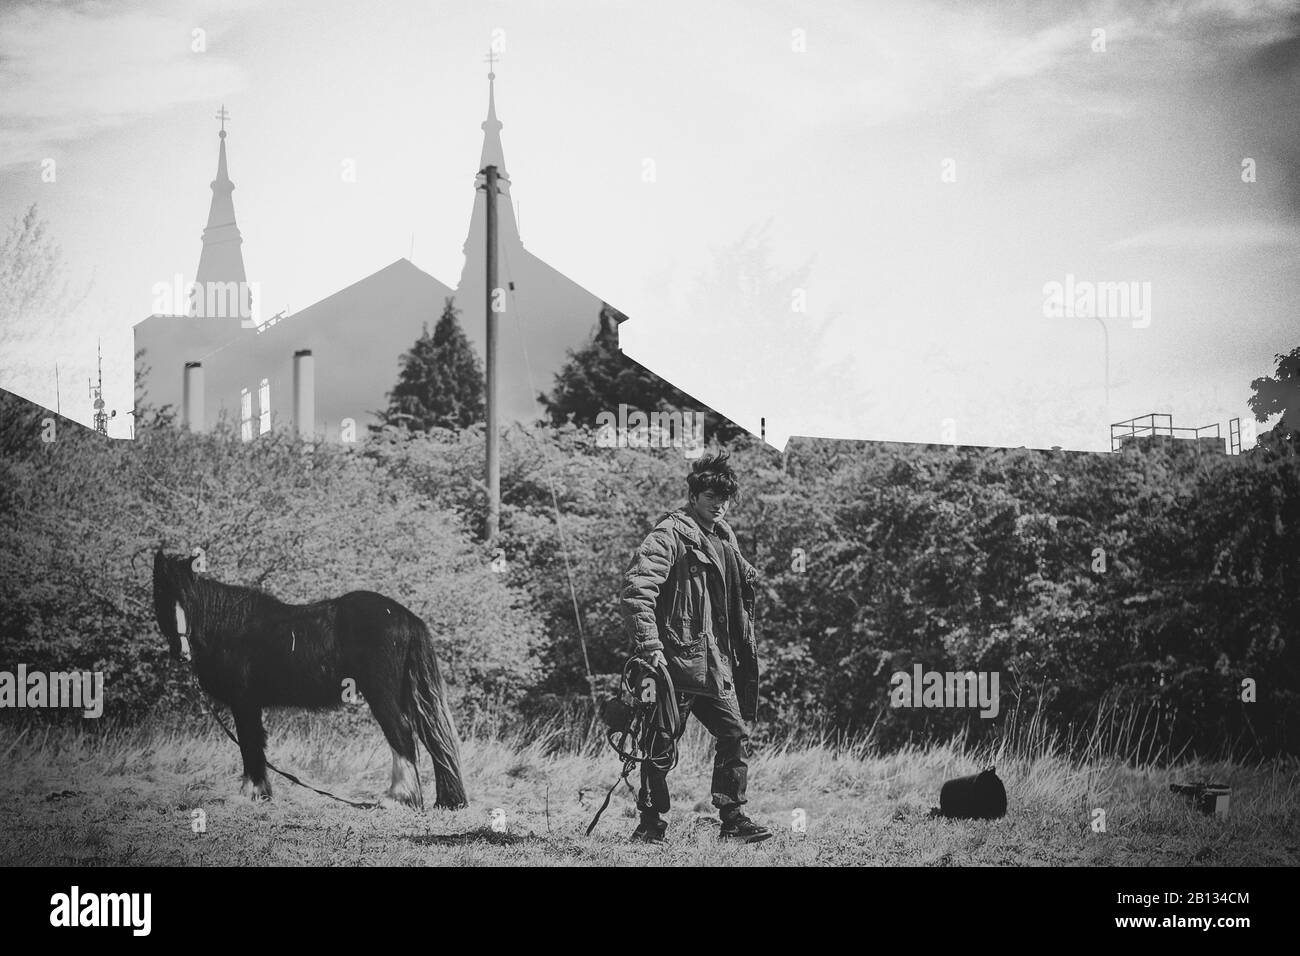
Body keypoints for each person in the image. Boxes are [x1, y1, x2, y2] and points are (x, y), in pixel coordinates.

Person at [620, 450, 773, 844]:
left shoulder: (724, 536)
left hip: (715, 665)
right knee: (659, 746)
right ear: (693, 495)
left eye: (725, 498)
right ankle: (650, 825)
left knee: (734, 734)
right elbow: (638, 591)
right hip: (674, 664)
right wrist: (650, 645)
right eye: (711, 497)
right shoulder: (669, 533)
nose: (719, 505)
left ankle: (733, 819)